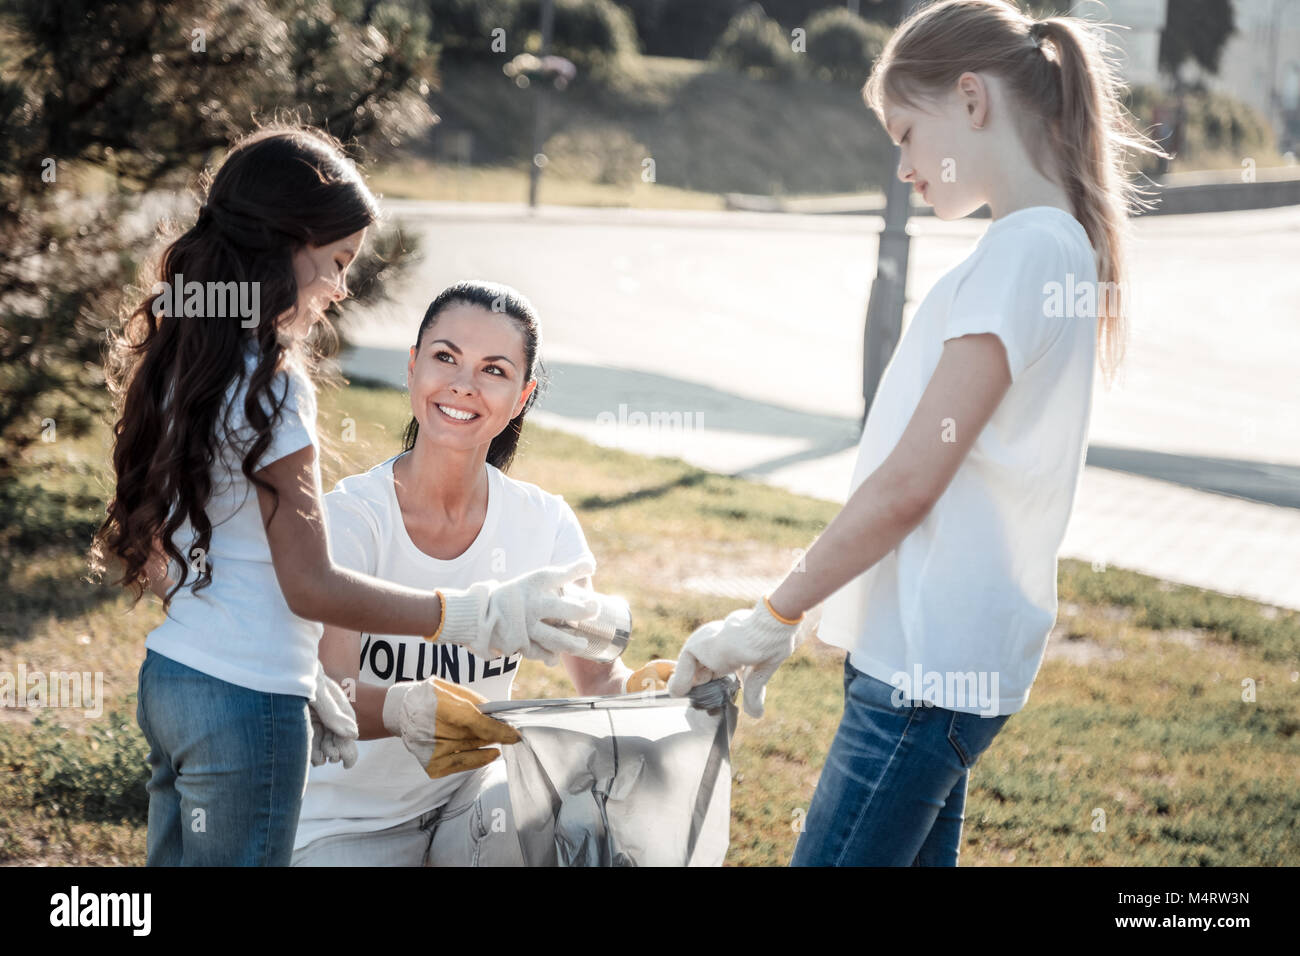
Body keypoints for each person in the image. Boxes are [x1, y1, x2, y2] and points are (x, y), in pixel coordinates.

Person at [667, 0, 1169, 866]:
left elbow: (910, 483)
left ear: (971, 101)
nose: (901, 166)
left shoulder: (1026, 252)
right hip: (937, 670)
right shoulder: (1047, 248)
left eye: (904, 133)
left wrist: (773, 613)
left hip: (924, 679)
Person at [91, 126, 598, 866]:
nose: (339, 287)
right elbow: (311, 585)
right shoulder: (273, 382)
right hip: (249, 703)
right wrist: (465, 615)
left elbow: (176, 553)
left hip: (175, 675)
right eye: (334, 263)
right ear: (282, 247)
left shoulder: (187, 356)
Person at [291, 280, 675, 866]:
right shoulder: (350, 519)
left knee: (582, 824)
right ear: (414, 367)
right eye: (445, 358)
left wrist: (664, 696)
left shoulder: (542, 523)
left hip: (474, 801)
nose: (463, 384)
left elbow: (599, 681)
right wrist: (403, 709)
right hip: (348, 821)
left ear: (522, 395)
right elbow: (332, 699)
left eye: (494, 370)